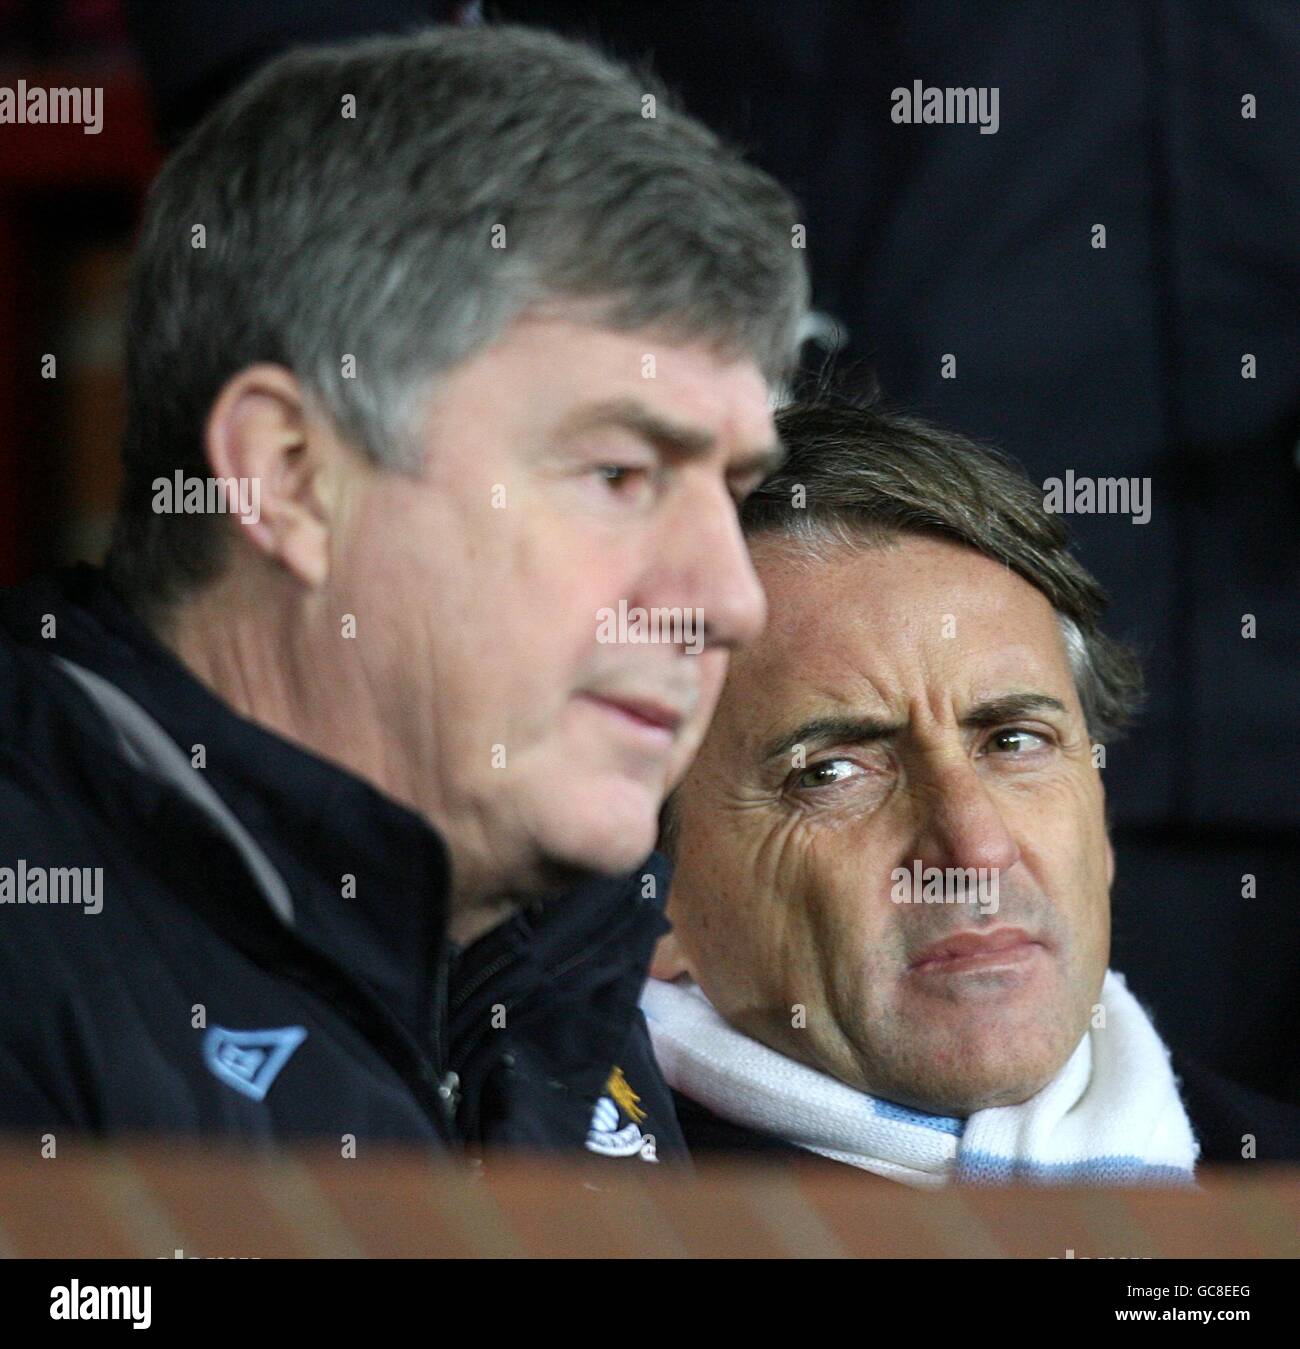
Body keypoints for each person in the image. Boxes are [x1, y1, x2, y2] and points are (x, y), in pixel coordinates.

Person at [0, 26, 807, 1158]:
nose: (729, 600)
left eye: (732, 490)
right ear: (289, 478)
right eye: (620, 474)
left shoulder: (573, 971)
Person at [645, 399, 1300, 1183]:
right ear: (647, 888)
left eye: (1015, 742)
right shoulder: (547, 1210)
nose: (976, 847)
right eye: (830, 772)